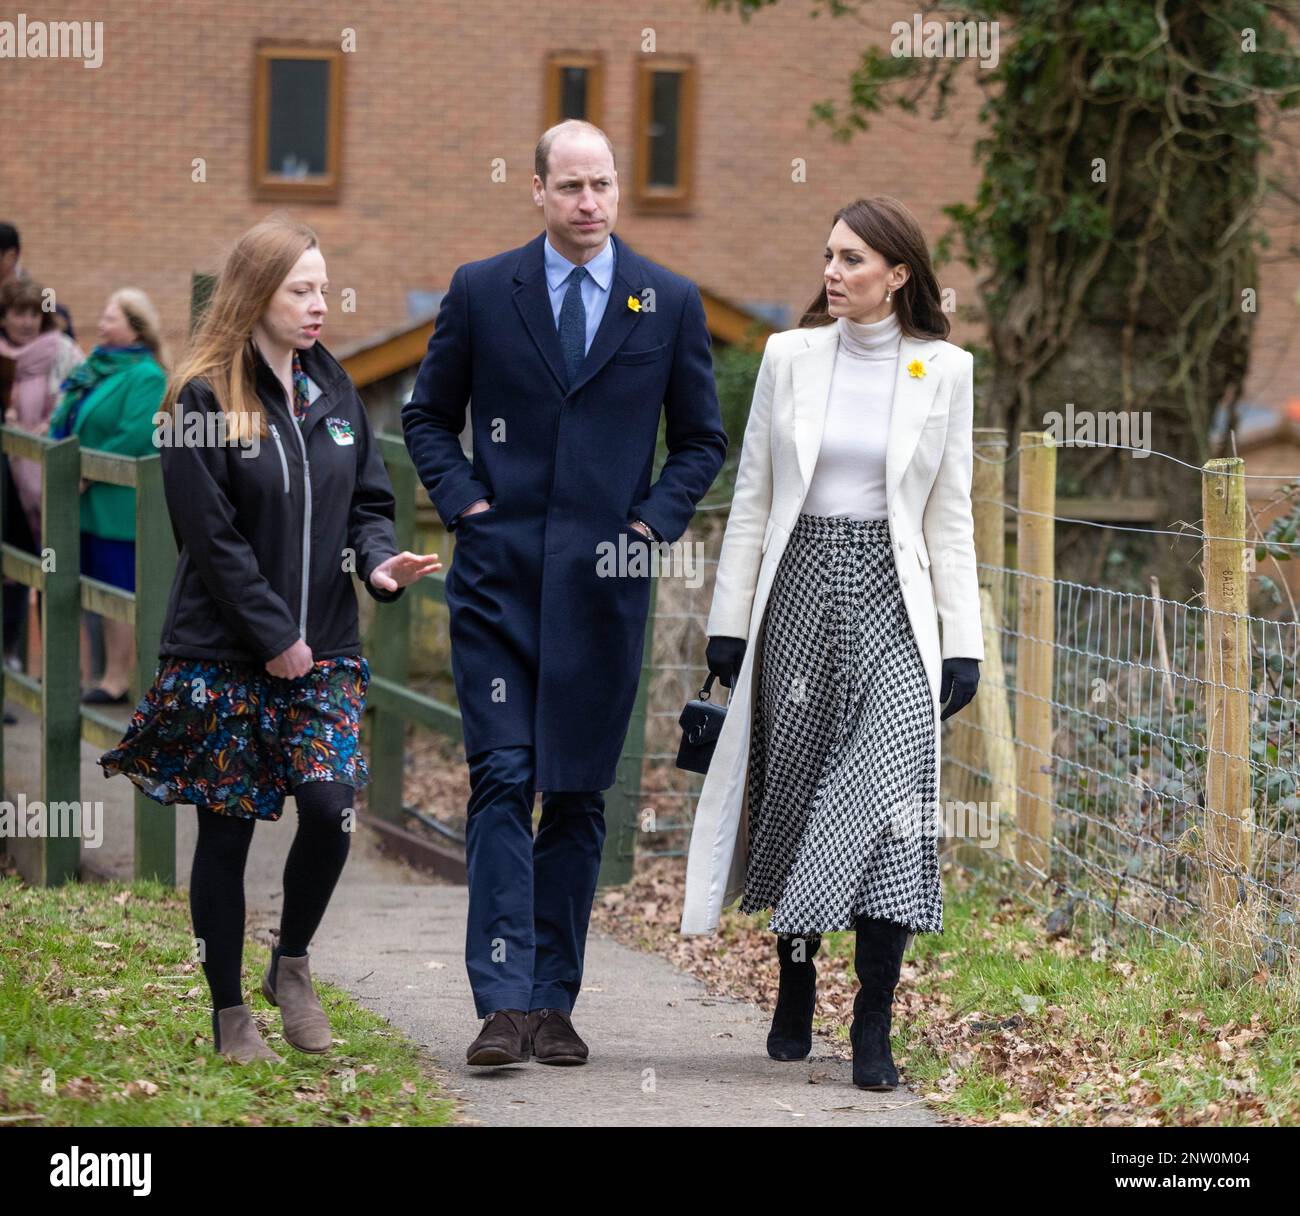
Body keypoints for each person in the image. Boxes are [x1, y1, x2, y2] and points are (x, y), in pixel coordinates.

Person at [402, 119, 727, 1068]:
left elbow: (700, 439)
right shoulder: (481, 291)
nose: (589, 203)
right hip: (497, 585)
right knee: (502, 778)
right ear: (536, 191)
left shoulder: (666, 300)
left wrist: (648, 524)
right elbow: (427, 414)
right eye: (571, 186)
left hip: (603, 592)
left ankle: (555, 1004)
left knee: (578, 796)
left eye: (604, 186)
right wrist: (464, 503)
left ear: (618, 192)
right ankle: (501, 1003)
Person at [99, 214, 441, 1063]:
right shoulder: (202, 397)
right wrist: (271, 633)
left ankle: (291, 965)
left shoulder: (336, 391)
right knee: (227, 831)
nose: (321, 304)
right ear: (257, 293)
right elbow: (209, 538)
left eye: (324, 288)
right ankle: (228, 1013)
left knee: (330, 811)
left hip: (325, 649)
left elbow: (368, 505)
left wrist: (378, 565)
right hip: (225, 654)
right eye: (302, 289)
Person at [680, 197, 984, 1093]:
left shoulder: (946, 369)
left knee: (889, 798)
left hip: (898, 604)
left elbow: (952, 519)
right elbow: (752, 501)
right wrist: (730, 627)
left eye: (853, 260)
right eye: (828, 257)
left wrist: (961, 641)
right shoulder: (789, 357)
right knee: (804, 792)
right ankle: (797, 976)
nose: (834, 272)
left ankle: (873, 1016)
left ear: (898, 274)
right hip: (799, 592)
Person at [47, 288, 168, 703]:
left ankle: (118, 680)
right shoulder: (99, 369)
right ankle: (88, 674)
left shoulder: (147, 375)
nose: (101, 324)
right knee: (85, 587)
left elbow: (137, 433)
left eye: (111, 318)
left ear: (135, 328)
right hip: (85, 498)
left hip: (116, 501)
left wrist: (87, 468)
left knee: (118, 589)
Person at [0, 276, 84, 685]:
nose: (27, 322)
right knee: (13, 567)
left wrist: (49, 428)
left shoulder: (64, 353)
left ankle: (57, 672)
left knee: (54, 568)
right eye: (19, 313)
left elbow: (80, 404)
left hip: (50, 477)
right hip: (7, 477)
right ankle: (10, 658)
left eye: (35, 313)